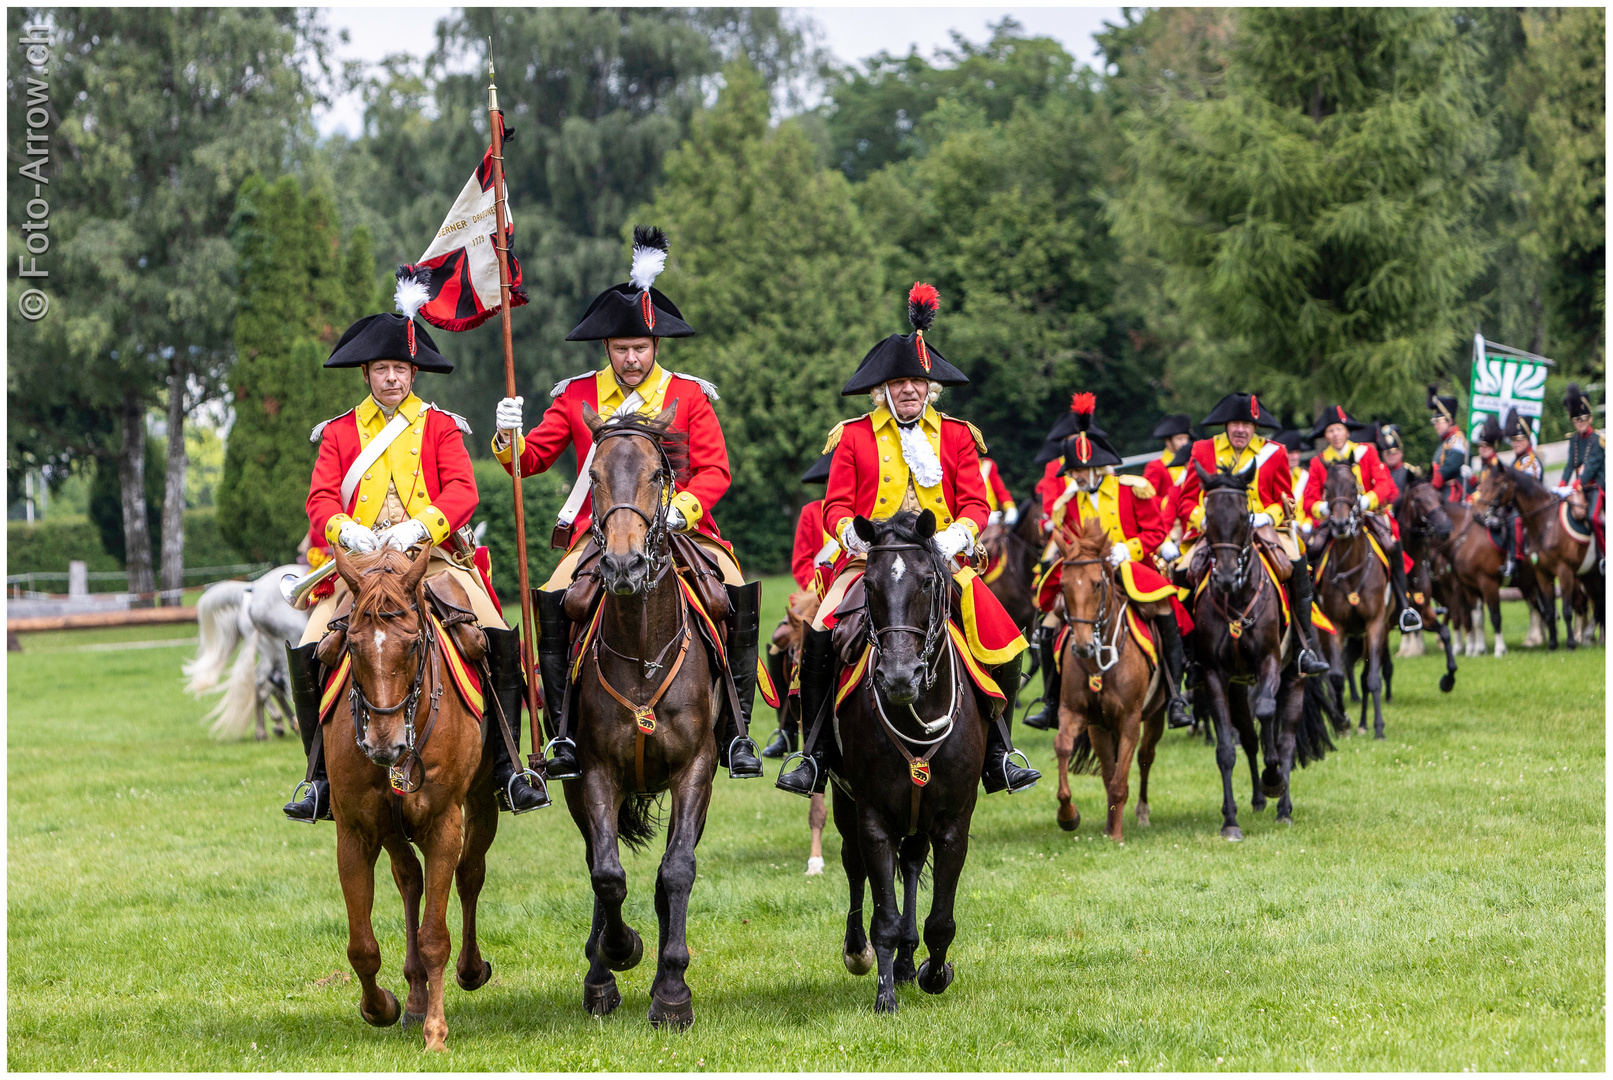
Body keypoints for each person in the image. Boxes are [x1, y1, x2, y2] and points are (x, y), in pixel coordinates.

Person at [489, 227, 761, 782]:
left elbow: (715, 471)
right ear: (606, 349)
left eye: (640, 348)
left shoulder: (687, 396)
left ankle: (736, 732)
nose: (631, 359)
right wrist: (507, 437)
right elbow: (531, 460)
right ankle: (564, 730)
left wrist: (678, 510)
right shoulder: (577, 397)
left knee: (732, 590)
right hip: (602, 532)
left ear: (656, 347)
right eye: (621, 349)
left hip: (684, 528)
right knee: (553, 594)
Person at [284, 275, 547, 822]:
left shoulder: (441, 426)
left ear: (412, 373)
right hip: (359, 570)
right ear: (366, 374)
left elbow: (462, 491)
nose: (391, 378)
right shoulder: (338, 432)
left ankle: (505, 767)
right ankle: (318, 780)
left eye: (400, 370)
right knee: (310, 646)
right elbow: (320, 498)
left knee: (496, 634)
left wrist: (420, 528)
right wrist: (341, 529)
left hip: (433, 560)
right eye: (381, 370)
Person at [776, 283, 1038, 799]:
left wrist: (957, 536)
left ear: (930, 385)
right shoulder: (852, 436)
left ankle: (1000, 753)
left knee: (1004, 637)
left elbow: (977, 506)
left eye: (917, 381)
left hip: (940, 559)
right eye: (899, 383)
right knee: (822, 634)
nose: (910, 391)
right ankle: (814, 753)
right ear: (883, 390)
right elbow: (833, 506)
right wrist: (851, 532)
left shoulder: (959, 435)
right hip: (871, 561)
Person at [1035, 397, 1195, 730]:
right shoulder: (1068, 503)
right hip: (1087, 577)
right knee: (1048, 623)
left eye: (1079, 471)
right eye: (1073, 471)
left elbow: (1157, 531)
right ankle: (1051, 702)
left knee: (1166, 611)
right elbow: (1067, 541)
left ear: (1096, 468)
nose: (1075, 477)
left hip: (1130, 570)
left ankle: (1176, 697)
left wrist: (1129, 548)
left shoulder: (1131, 489)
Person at [1172, 392, 1332, 676]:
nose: (1241, 429)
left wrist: (1266, 517)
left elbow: (1285, 499)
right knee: (1182, 571)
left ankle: (1303, 647)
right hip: (1218, 531)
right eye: (1235, 423)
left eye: (1247, 424)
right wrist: (1203, 519)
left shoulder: (1275, 452)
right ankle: (1192, 656)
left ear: (1256, 427)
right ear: (1226, 425)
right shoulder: (1203, 451)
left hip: (1263, 528)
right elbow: (1185, 501)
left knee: (1297, 561)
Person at [1300, 404, 1421, 633]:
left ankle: (1404, 607)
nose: (1335, 435)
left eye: (1338, 429)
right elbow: (1308, 500)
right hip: (1335, 518)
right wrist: (1325, 508)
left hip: (1368, 514)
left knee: (1391, 544)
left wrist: (1369, 500)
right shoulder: (1318, 462)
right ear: (1325, 435)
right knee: (1313, 548)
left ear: (1347, 432)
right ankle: (1312, 607)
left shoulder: (1367, 452)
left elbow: (1384, 483)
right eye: (1330, 431)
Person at [1559, 383, 1604, 560]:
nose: (1581, 423)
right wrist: (1562, 484)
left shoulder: (1599, 440)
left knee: (1594, 518)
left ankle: (1606, 556)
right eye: (1577, 420)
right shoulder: (1574, 440)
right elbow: (1570, 464)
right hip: (1580, 489)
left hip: (1596, 488)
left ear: (1590, 418)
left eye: (1584, 419)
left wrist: (1576, 484)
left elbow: (1591, 467)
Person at [1144, 414, 1194, 529]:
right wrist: (1168, 503)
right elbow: (1148, 498)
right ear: (1168, 441)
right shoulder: (1156, 466)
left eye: (1186, 438)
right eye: (1179, 439)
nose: (1184, 443)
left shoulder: (1193, 463)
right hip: (1169, 524)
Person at [1427, 385, 1469, 505]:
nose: (1436, 425)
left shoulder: (1457, 438)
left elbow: (1451, 466)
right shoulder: (1446, 440)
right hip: (1443, 490)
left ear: (1450, 421)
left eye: (1439, 421)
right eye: (1434, 422)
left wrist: (1434, 484)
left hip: (1454, 493)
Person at [979, 455, 1019, 527]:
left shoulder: (987, 464)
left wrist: (1010, 507)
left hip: (993, 515)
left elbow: (999, 490)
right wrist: (980, 515)